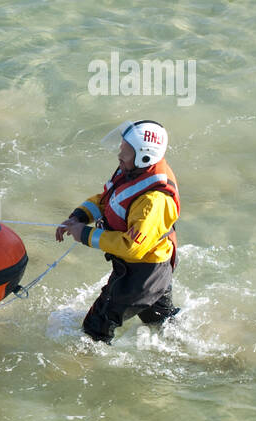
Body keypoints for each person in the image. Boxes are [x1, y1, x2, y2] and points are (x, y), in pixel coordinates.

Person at [56, 119, 181, 343]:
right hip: (150, 268)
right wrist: (78, 217)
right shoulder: (132, 171)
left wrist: (83, 234)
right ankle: (180, 346)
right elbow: (107, 200)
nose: (119, 154)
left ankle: (84, 365)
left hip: (145, 272)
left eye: (125, 150)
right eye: (122, 146)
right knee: (162, 323)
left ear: (145, 155)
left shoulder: (152, 201)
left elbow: (132, 247)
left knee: (96, 327)